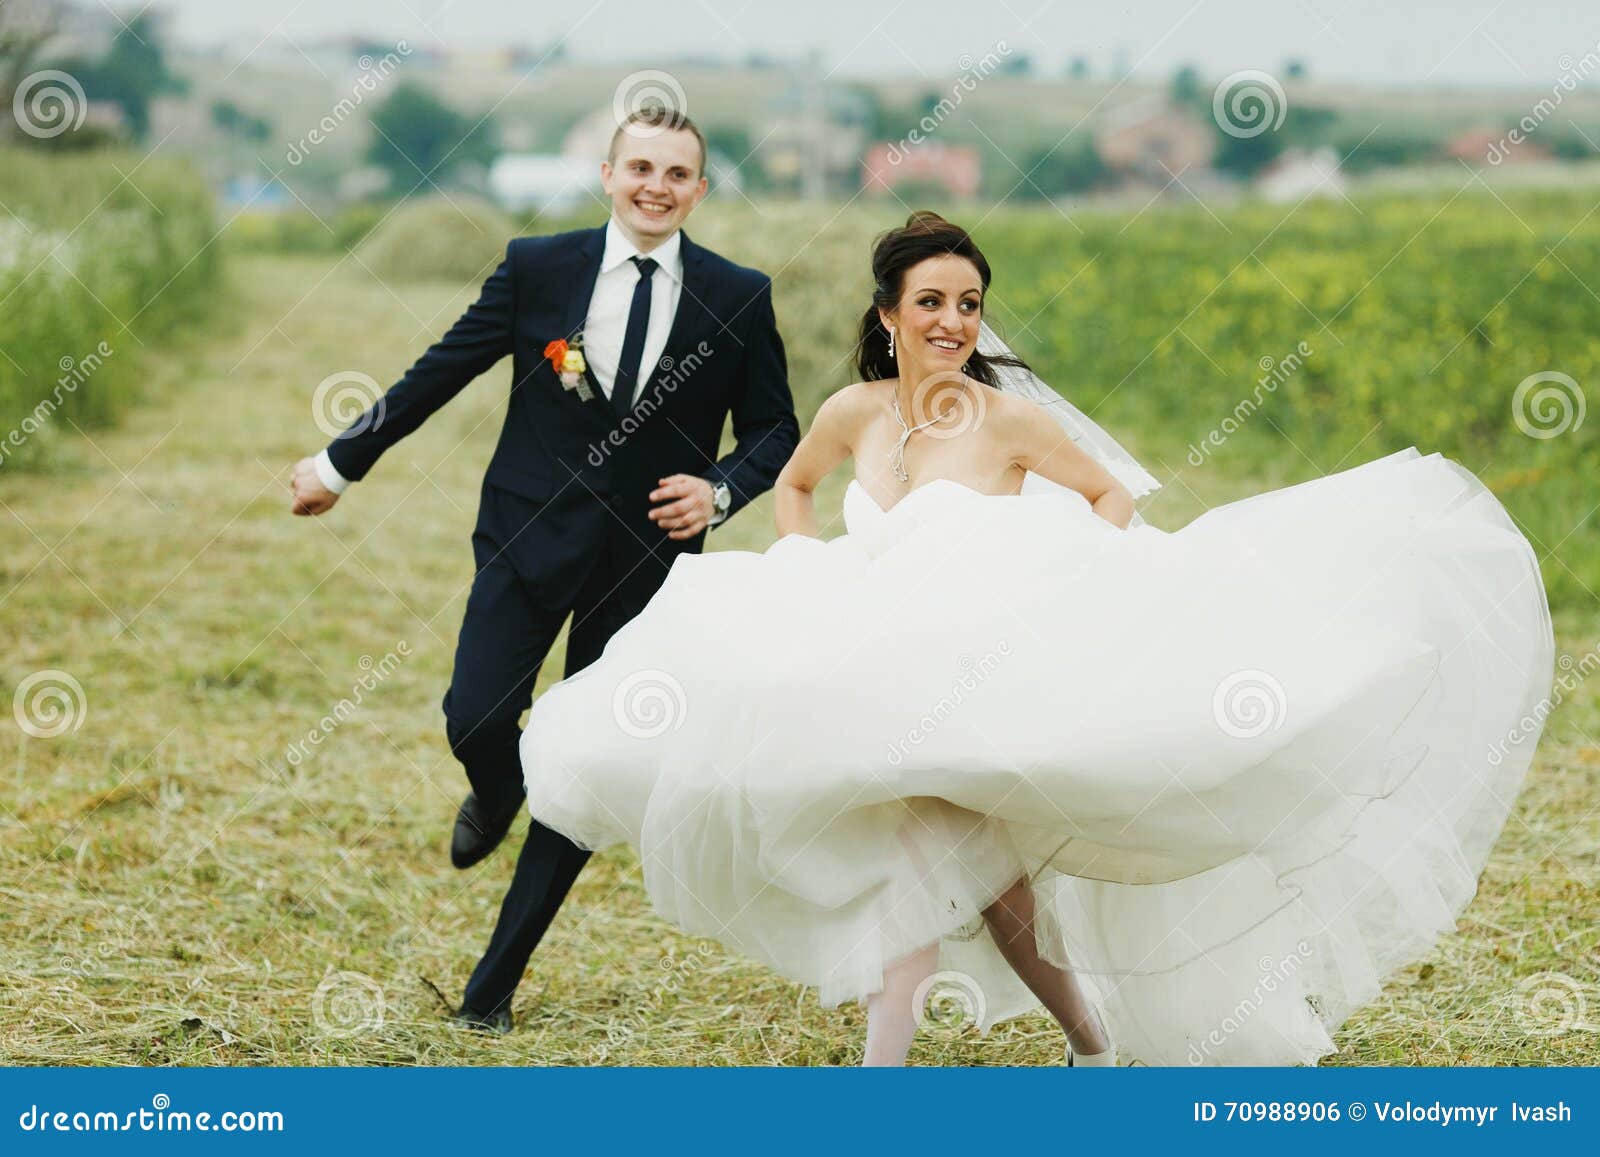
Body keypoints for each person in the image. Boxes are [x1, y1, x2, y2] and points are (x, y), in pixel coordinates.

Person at [515, 211, 1555, 1065]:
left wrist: (1066, 587)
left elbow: (1107, 495)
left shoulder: (1005, 420)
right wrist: (803, 563)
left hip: (981, 681)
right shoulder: (854, 411)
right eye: (930, 301)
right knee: (988, 886)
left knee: (953, 879)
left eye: (967, 304)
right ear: (887, 313)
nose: (951, 321)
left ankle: (929, 1078)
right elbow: (791, 488)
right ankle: (1090, 1039)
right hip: (872, 674)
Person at [288, 107, 798, 1033]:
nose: (656, 186)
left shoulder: (738, 295)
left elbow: (775, 427)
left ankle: (491, 989)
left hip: (646, 562)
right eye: (639, 167)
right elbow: (440, 370)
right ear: (606, 174)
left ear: (700, 190)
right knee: (473, 714)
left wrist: (720, 491)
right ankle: (497, 786)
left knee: (589, 759)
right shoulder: (538, 268)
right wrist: (338, 463)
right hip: (527, 536)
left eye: (677, 174)